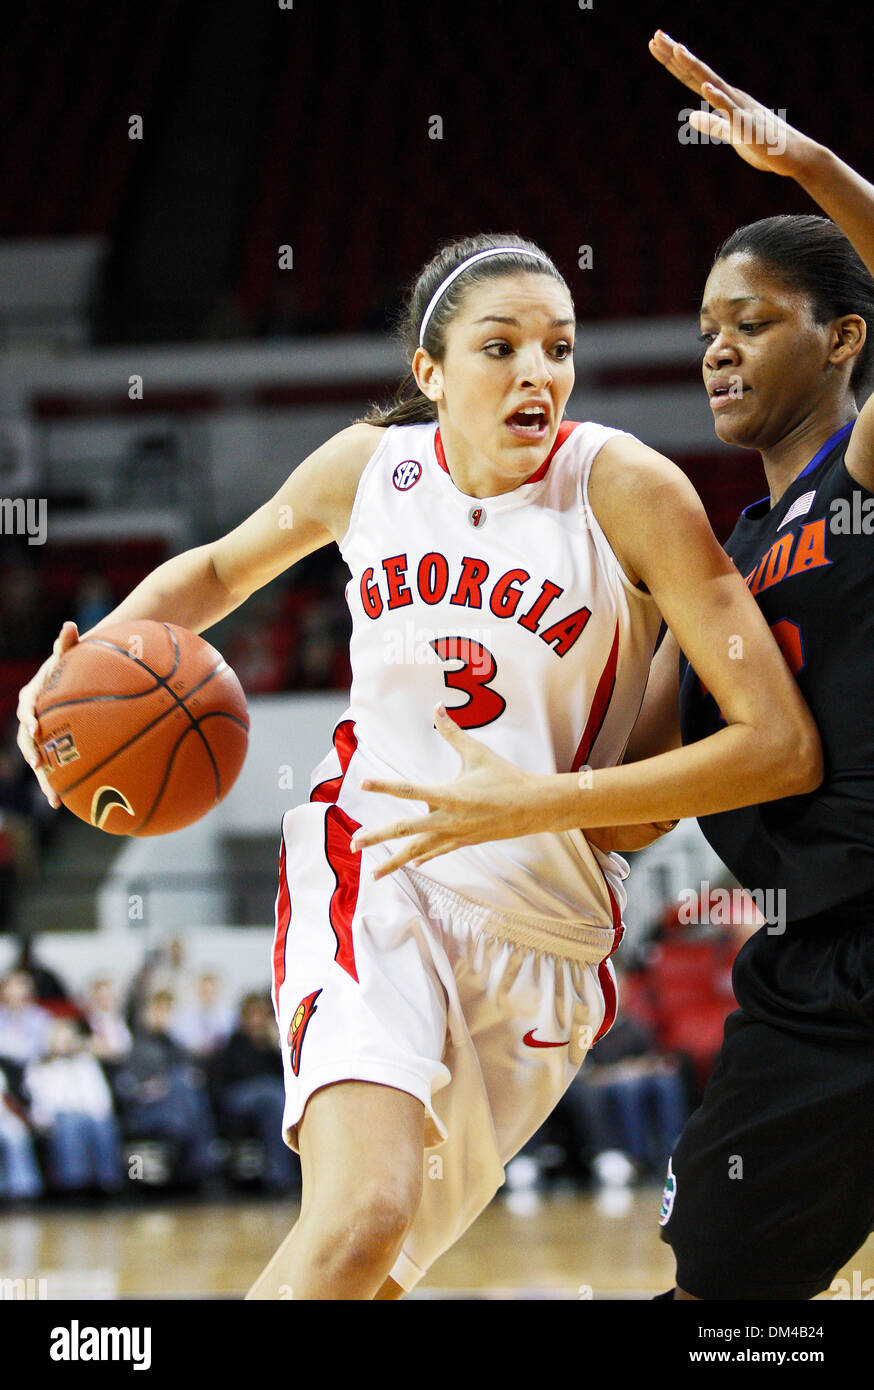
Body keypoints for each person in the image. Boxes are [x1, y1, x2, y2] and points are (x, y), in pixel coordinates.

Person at [16, 231, 821, 1300]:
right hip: (377, 868)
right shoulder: (371, 470)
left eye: (558, 347)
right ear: (431, 374)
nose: (538, 371)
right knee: (360, 1219)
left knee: (365, 1276)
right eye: (501, 347)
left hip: (548, 931)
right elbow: (217, 569)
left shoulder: (626, 489)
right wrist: (72, 669)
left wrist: (534, 803)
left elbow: (777, 746)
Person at [612, 30, 874, 1303]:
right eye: (708, 326)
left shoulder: (861, 480)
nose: (715, 349)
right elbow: (636, 786)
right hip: (810, 964)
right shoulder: (719, 552)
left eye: (753, 322)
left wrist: (813, 165)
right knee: (719, 1286)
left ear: (841, 343)